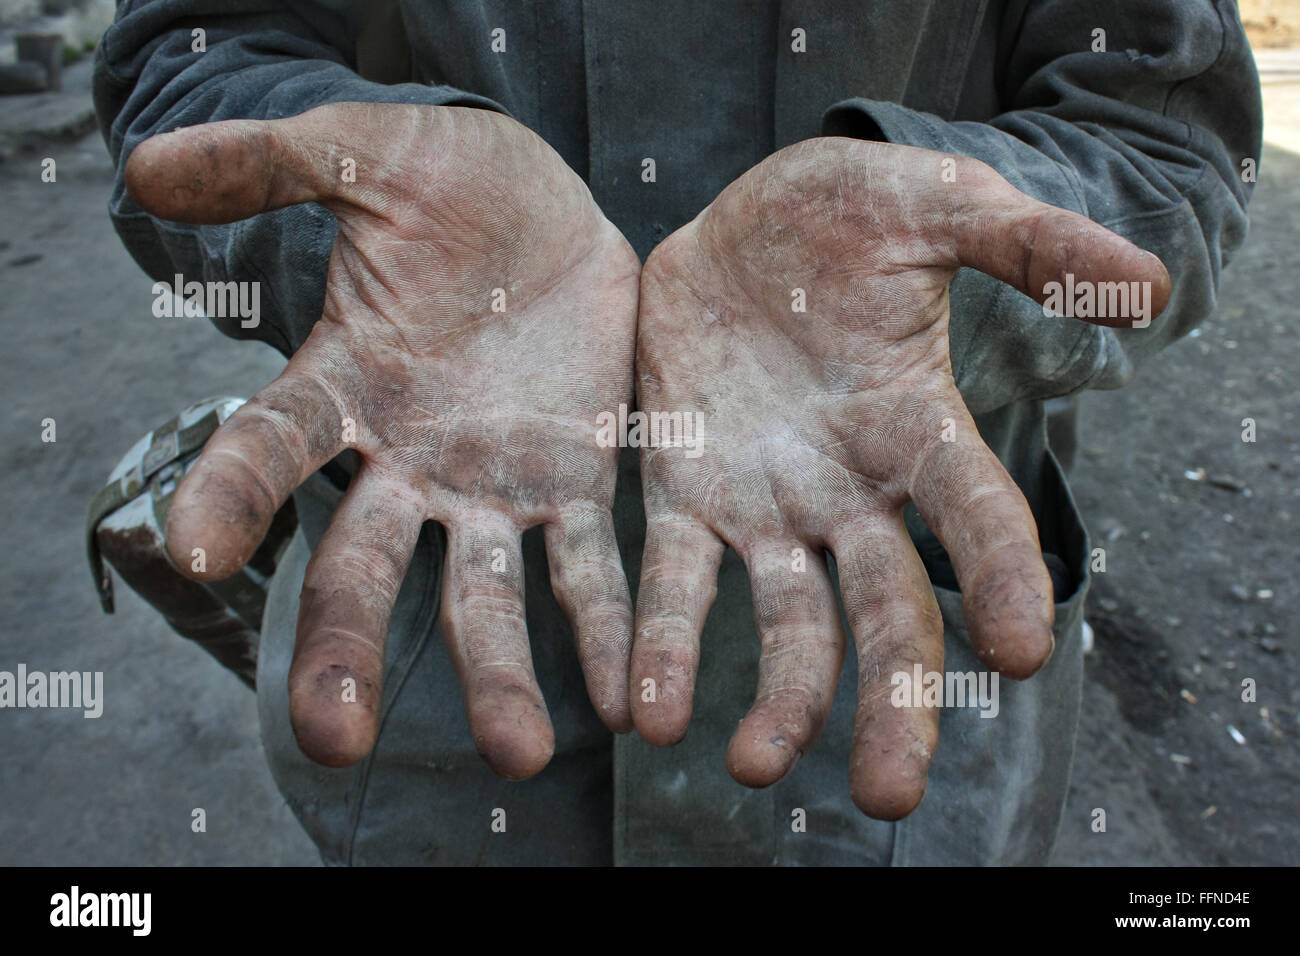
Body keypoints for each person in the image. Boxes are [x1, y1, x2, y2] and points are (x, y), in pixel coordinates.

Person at [93, 0, 1260, 865]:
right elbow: (187, 62)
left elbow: (1170, 151)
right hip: (441, 700)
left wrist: (928, 273)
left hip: (888, 704)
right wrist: (364, 230)